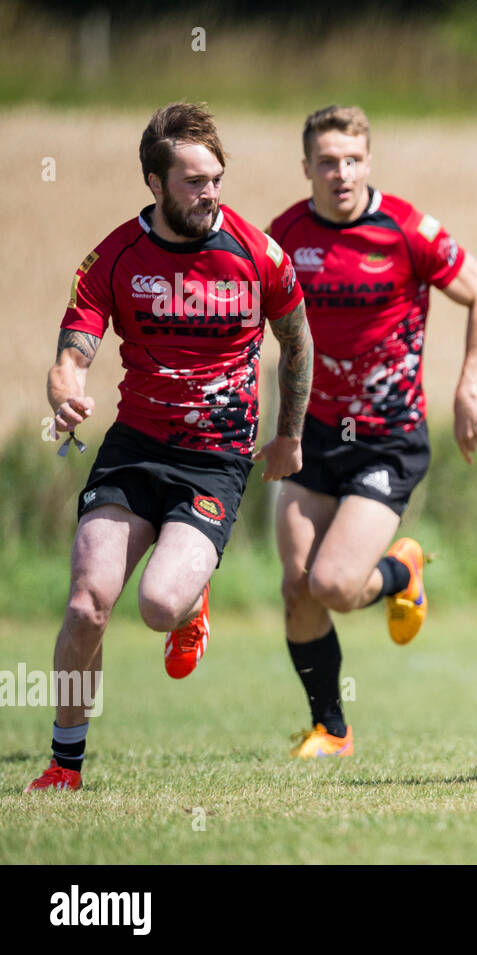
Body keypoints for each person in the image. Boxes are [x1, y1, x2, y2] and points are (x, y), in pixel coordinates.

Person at [26, 102, 312, 792]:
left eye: (215, 177)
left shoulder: (257, 253)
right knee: (87, 604)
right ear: (155, 183)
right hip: (133, 447)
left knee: (157, 604)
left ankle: (190, 603)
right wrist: (63, 390)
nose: (209, 191)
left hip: (214, 460)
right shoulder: (116, 256)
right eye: (192, 180)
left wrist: (290, 435)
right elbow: (72, 350)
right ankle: (65, 765)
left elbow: (297, 342)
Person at [266, 105, 477, 757]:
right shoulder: (283, 233)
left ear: (368, 161)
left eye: (353, 160)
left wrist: (468, 385)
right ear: (307, 166)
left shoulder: (405, 228)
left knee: (335, 585)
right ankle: (331, 728)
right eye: (327, 162)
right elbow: (241, 312)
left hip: (386, 436)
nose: (341, 173)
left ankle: (401, 571)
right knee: (295, 584)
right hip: (310, 432)